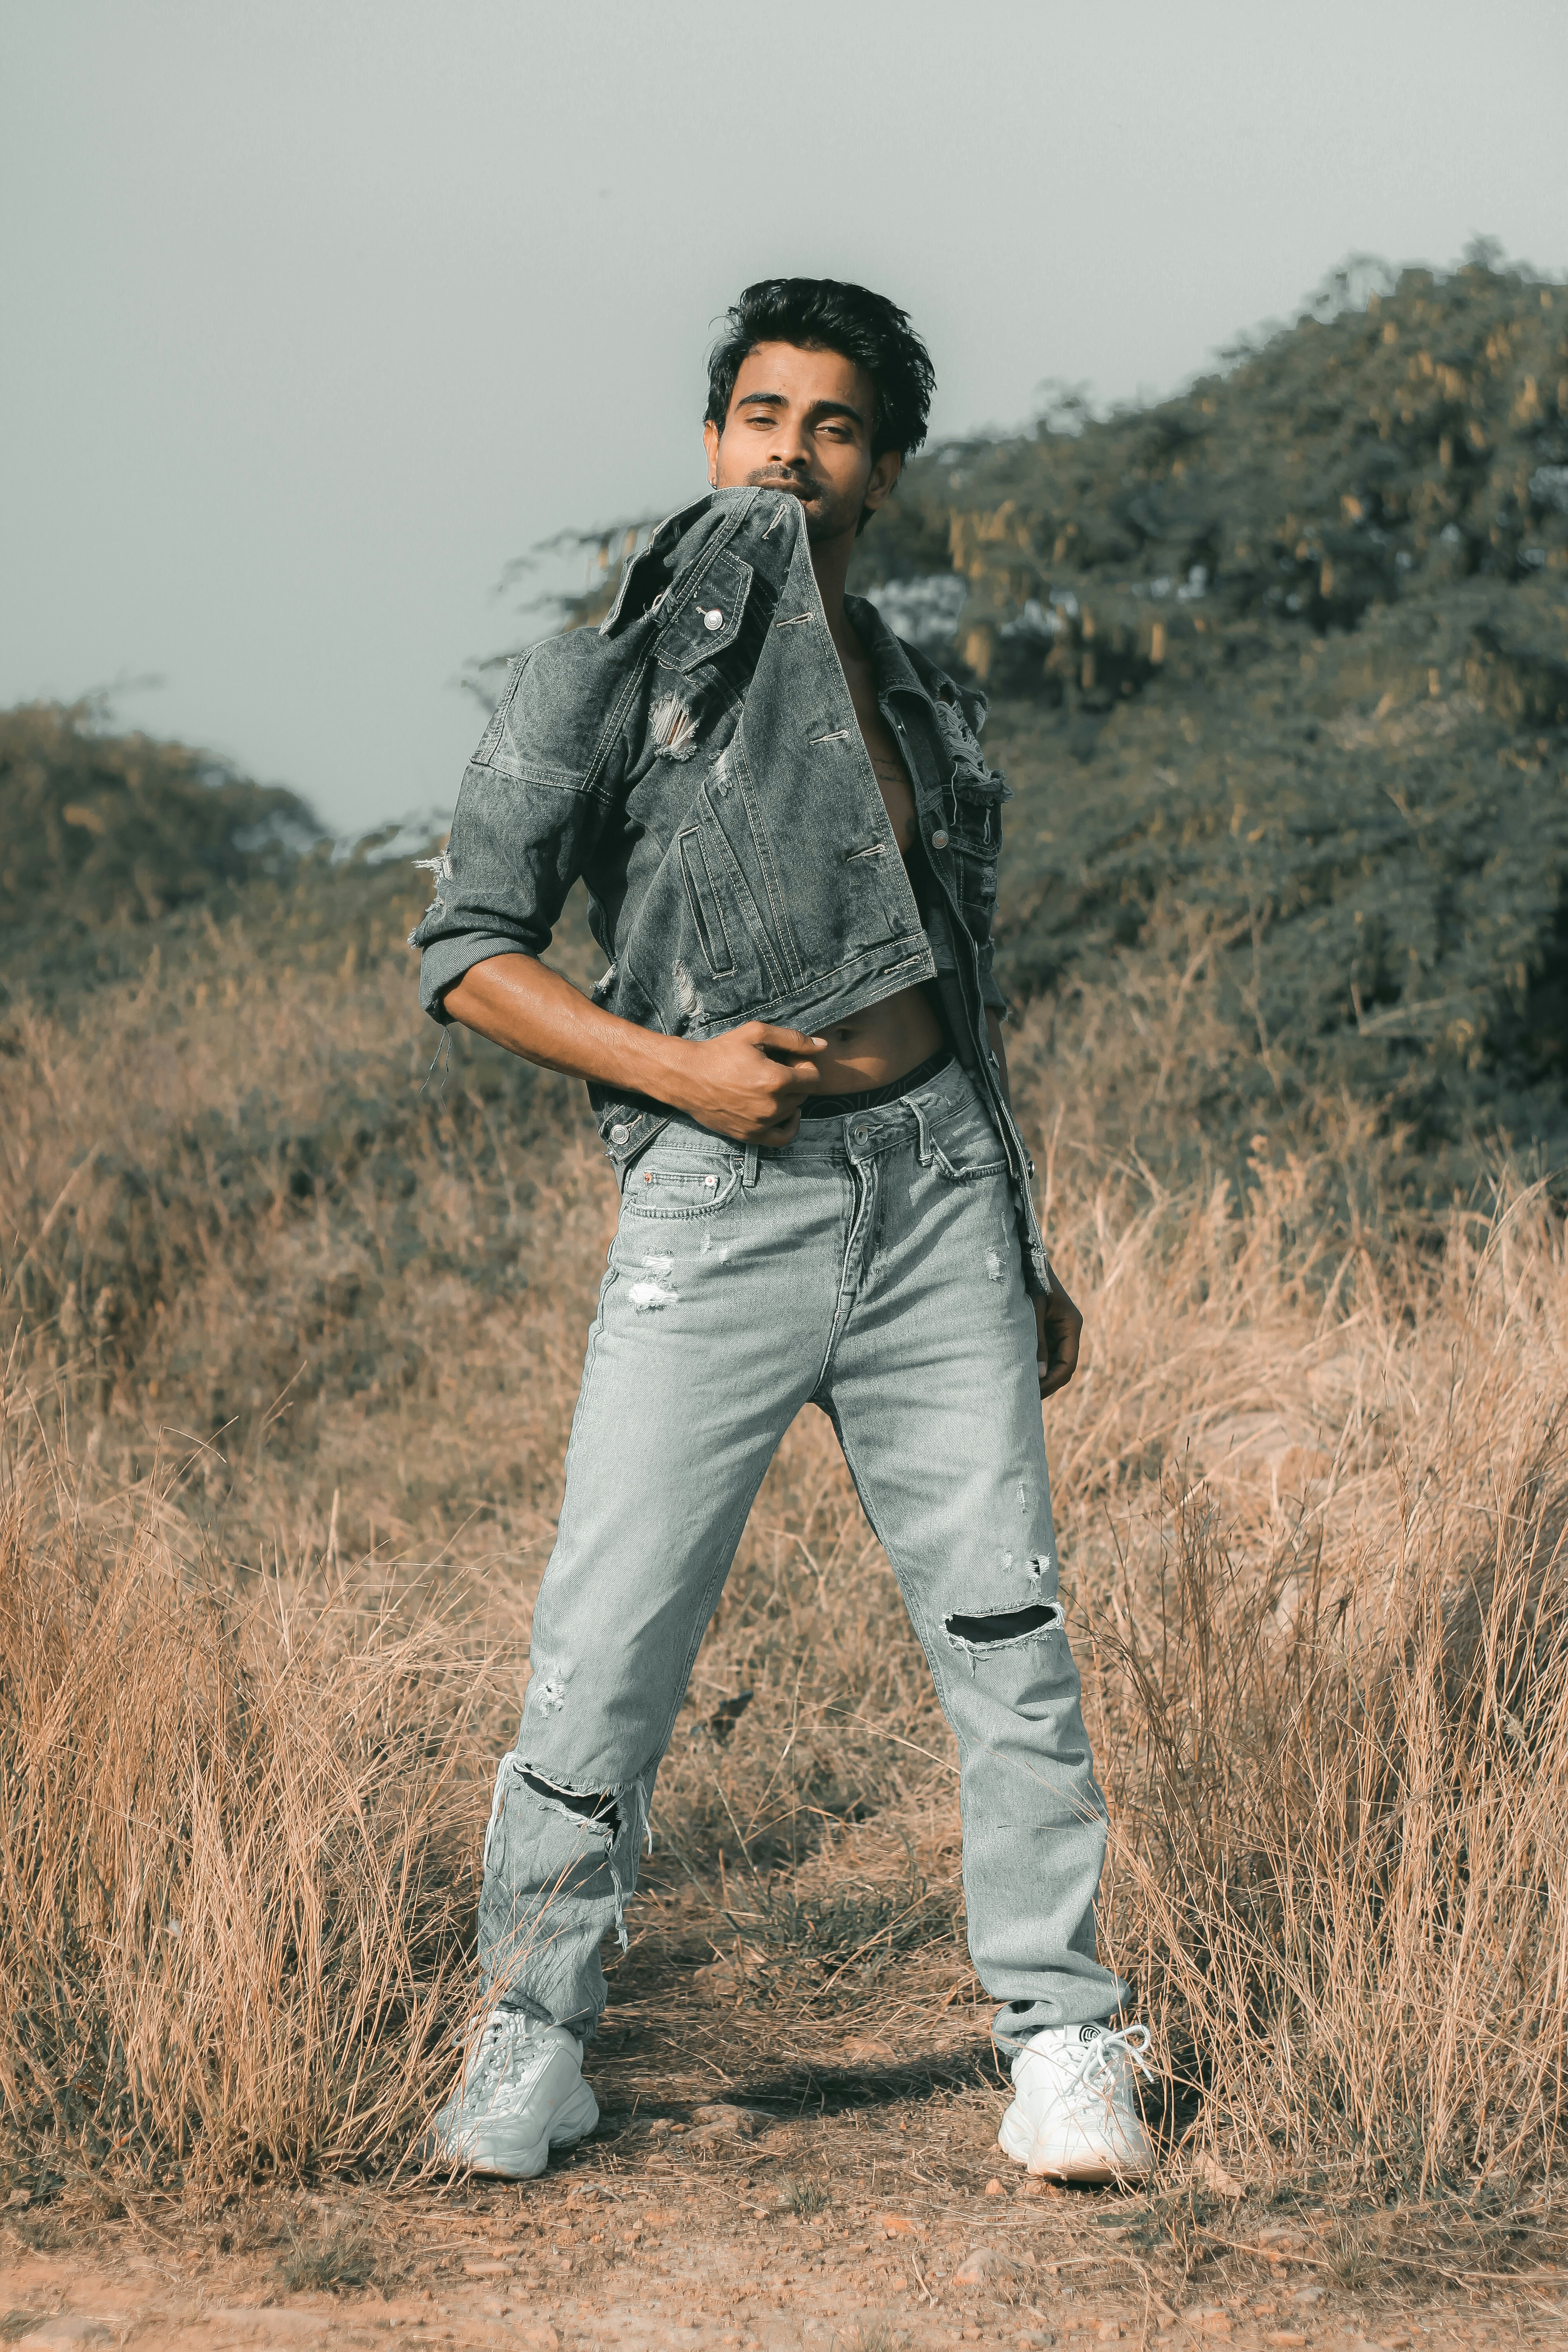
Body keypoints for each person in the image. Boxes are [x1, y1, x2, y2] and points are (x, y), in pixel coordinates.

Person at [411, 277, 1153, 2186]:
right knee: (609, 1640)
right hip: (716, 1200)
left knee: (1007, 1628)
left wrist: (1023, 1238)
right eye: (761, 414)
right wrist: (676, 1074)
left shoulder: (922, 698)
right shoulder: (605, 672)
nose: (789, 453)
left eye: (832, 426)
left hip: (937, 1193)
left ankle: (1063, 2039)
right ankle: (531, 2037)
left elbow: (964, 989)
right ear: (711, 438)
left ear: (880, 472)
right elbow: (467, 955)